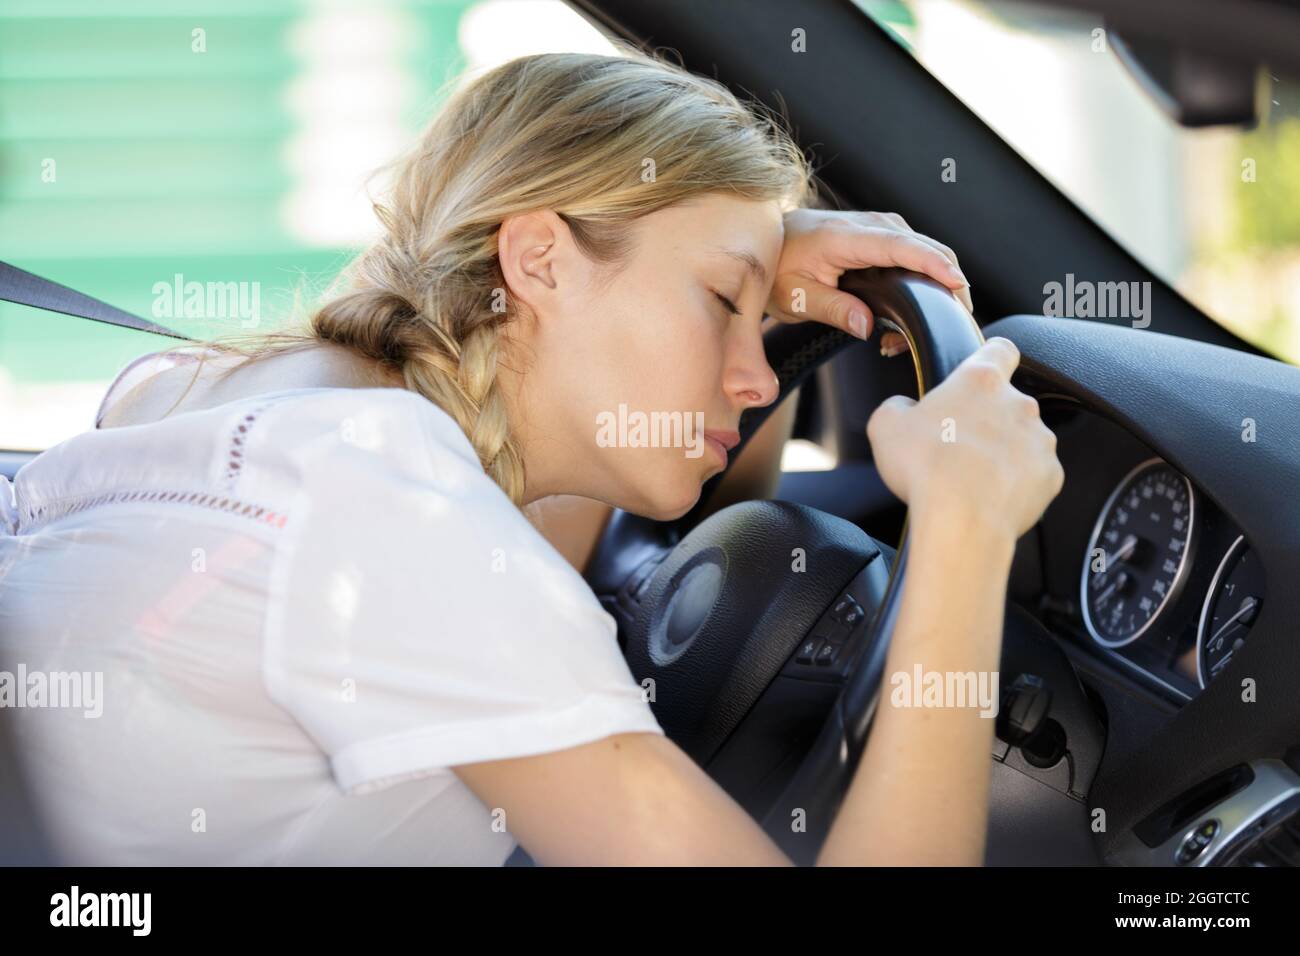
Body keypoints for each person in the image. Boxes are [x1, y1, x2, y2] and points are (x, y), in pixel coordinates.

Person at [0, 47, 1062, 866]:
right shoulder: (394, 525)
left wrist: (742, 268)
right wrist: (964, 528)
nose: (754, 374)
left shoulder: (208, 389)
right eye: (720, 304)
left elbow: (504, 455)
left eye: (759, 317)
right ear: (539, 257)